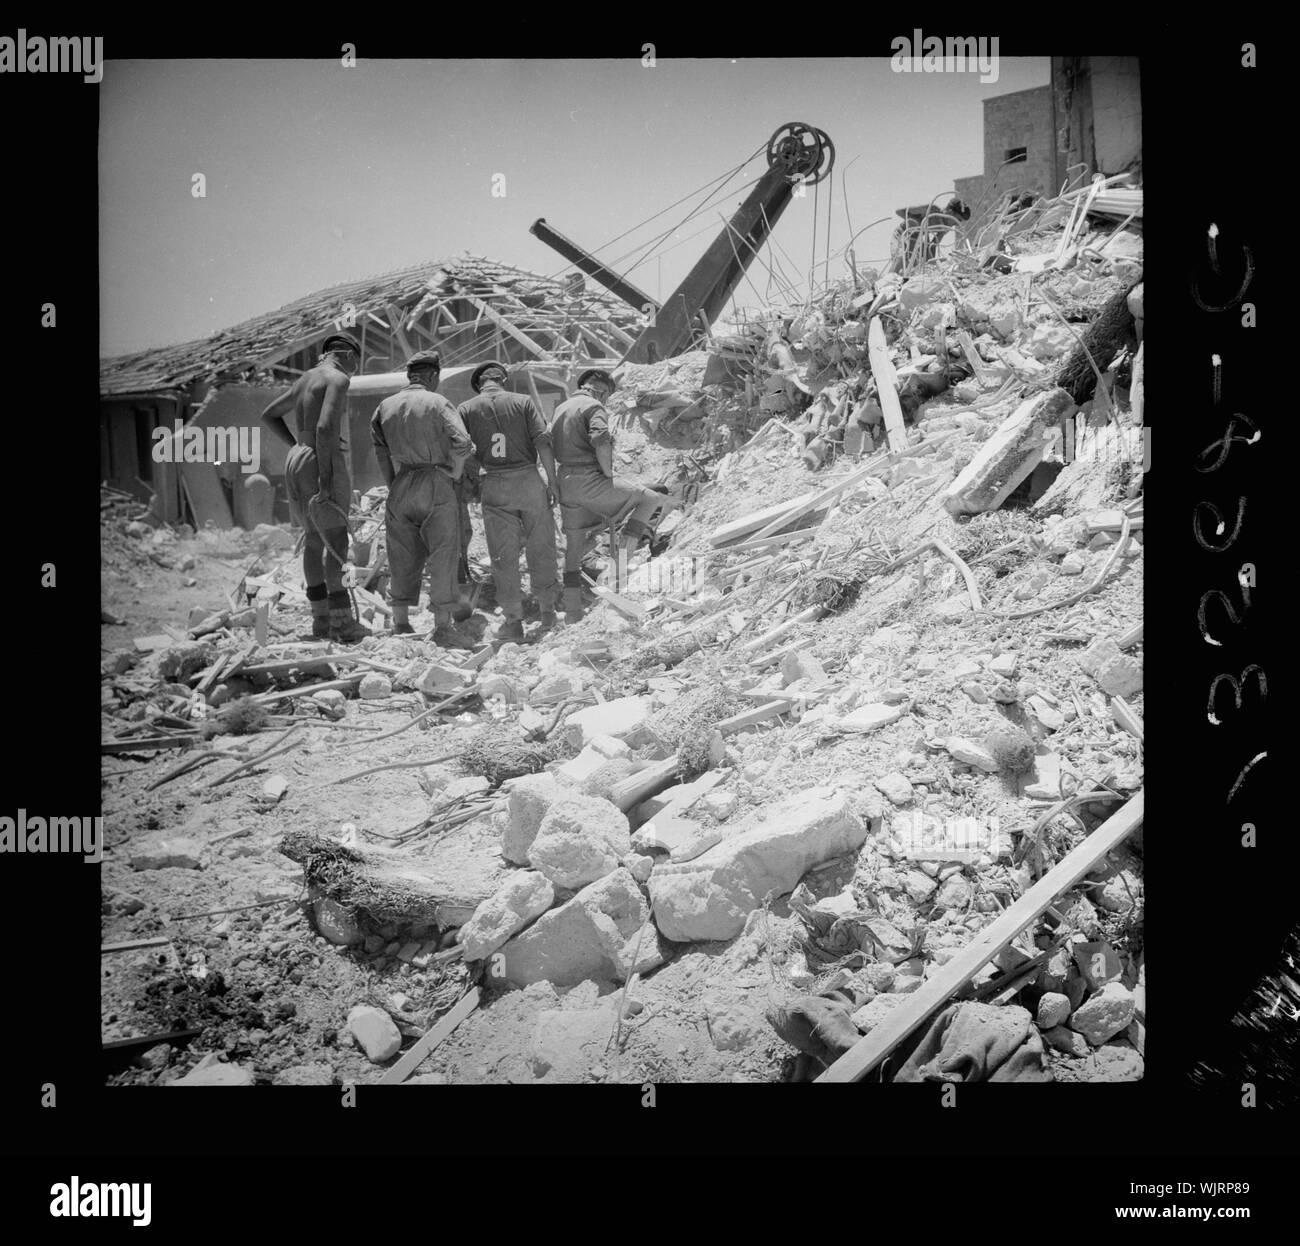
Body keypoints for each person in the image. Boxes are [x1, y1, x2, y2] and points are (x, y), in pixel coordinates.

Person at [260, 332, 369, 642]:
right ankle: (342, 622)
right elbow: (324, 427)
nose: (353, 371)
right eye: (354, 365)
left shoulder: (305, 379)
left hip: (297, 457)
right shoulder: (337, 379)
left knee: (312, 540)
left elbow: (269, 415)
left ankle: (320, 621)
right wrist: (325, 474)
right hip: (323, 458)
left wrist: (298, 446)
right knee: (336, 540)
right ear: (348, 356)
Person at [548, 368, 676, 622]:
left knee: (573, 547)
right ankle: (620, 570)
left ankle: (573, 610)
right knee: (650, 498)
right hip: (589, 478)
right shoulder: (593, 406)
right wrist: (607, 472)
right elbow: (601, 438)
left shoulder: (560, 408)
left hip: (567, 481)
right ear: (602, 390)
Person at [369, 349, 475, 645]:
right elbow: (464, 442)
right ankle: (442, 624)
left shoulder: (385, 406)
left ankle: (400, 623)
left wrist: (394, 483)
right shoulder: (437, 401)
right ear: (434, 375)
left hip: (402, 482)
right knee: (443, 552)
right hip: (436, 480)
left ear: (410, 376)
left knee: (401, 553)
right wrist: (455, 471)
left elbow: (379, 449)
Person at [456, 362, 560, 642]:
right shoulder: (523, 401)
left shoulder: (466, 409)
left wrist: (476, 473)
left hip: (495, 483)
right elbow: (543, 441)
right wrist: (552, 481)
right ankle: (548, 612)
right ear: (502, 380)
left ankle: (513, 621)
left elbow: (459, 448)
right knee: (541, 545)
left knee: (503, 556)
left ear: (479, 384)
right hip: (528, 481)